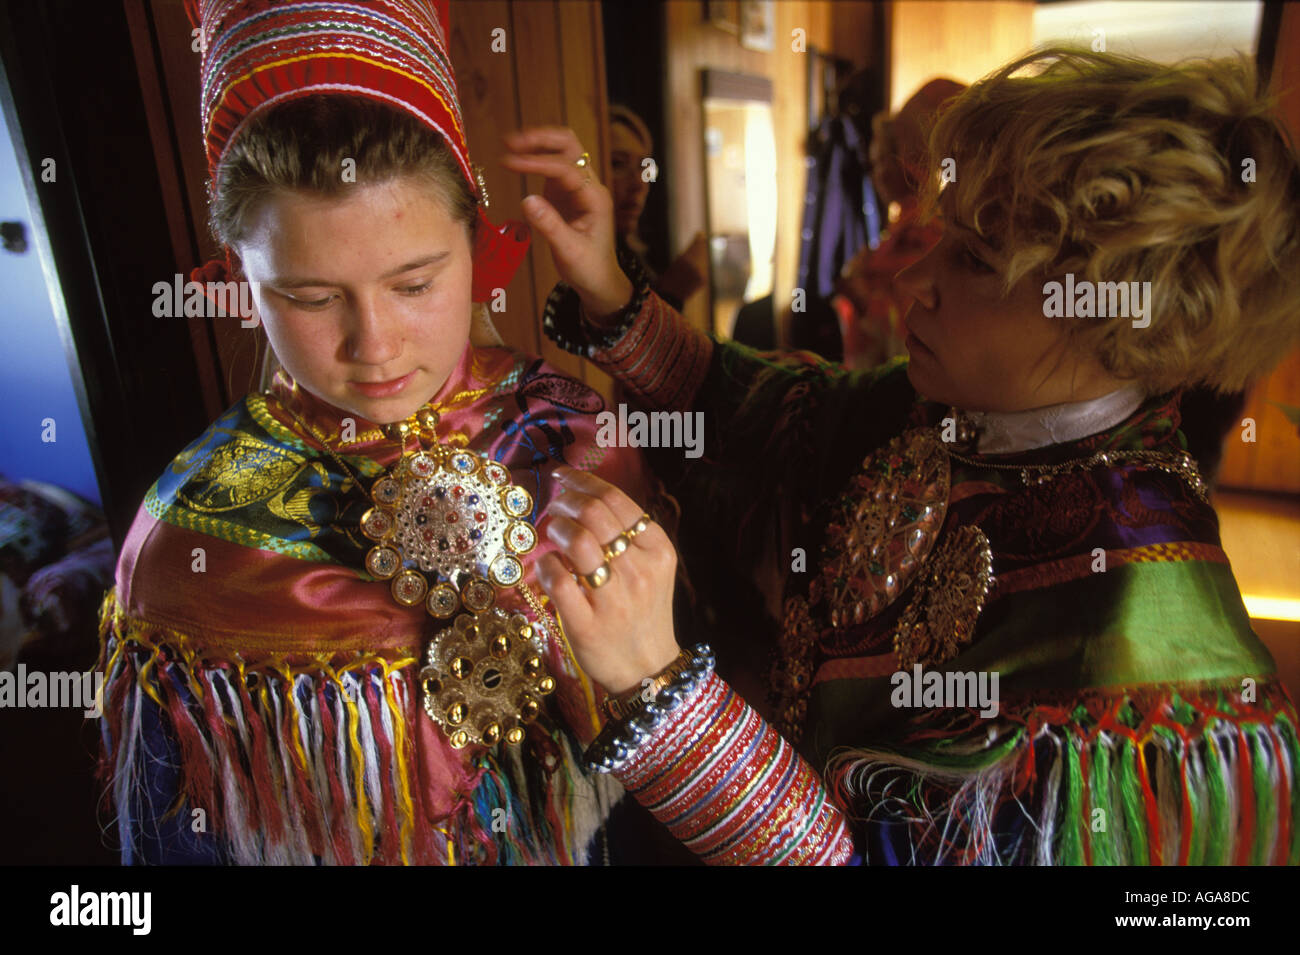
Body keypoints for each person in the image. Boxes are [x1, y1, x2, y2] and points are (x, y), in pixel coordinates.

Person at [509, 46, 1300, 864]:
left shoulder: (1133, 655)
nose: (913, 278)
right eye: (942, 237)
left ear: (1116, 318)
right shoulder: (965, 406)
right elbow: (766, 408)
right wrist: (607, 284)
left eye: (974, 260)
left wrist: (664, 693)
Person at [95, 0, 652, 865]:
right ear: (237, 278)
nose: (376, 347)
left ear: (476, 239)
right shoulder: (187, 552)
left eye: (416, 283)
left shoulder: (573, 436)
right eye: (310, 298)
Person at [608, 104, 708, 312]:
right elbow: (629, 342)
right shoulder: (590, 265)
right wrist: (672, 292)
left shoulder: (631, 259)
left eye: (644, 168)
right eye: (617, 164)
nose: (638, 184)